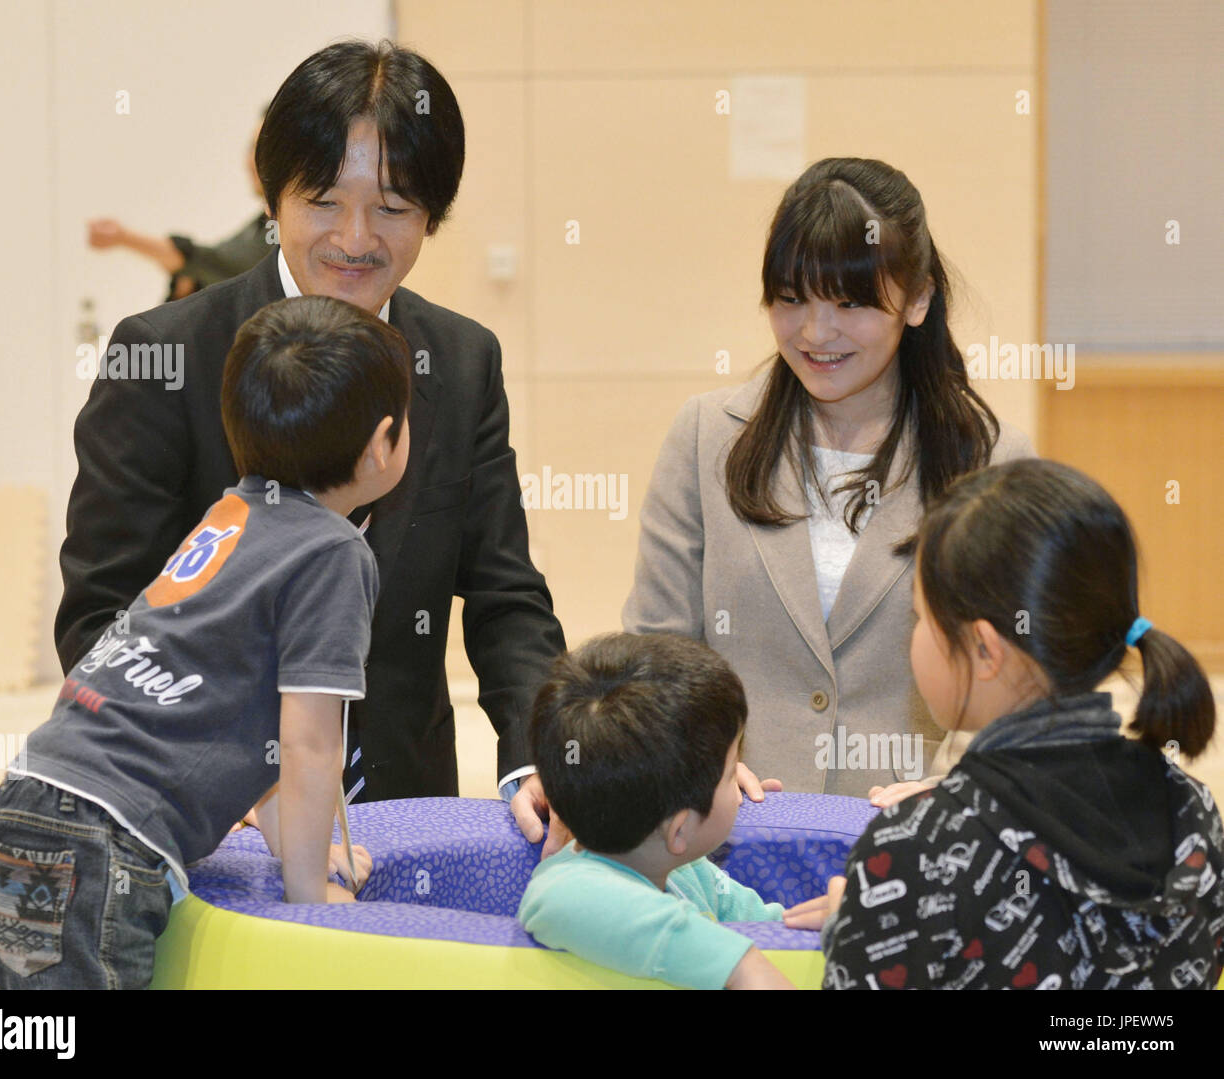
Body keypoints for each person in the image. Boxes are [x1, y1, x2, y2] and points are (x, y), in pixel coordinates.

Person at [56, 39, 568, 846]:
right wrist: (219, 782)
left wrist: (543, 759)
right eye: (324, 201)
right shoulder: (165, 355)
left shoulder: (464, 360)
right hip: (209, 824)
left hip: (405, 820)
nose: (355, 239)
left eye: (394, 208)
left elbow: (506, 595)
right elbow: (102, 612)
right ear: (273, 197)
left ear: (433, 213)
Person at [0, 295, 409, 988]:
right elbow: (307, 740)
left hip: (37, 794)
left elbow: (251, 722)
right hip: (106, 833)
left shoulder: (235, 510)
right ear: (382, 442)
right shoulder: (333, 551)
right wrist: (307, 888)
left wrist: (298, 846)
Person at [622, 157, 1033, 799]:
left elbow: (1024, 676)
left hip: (911, 843)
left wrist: (959, 793)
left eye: (851, 302)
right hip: (728, 833)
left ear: (918, 297)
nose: (816, 332)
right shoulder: (705, 436)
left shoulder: (992, 459)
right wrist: (695, 760)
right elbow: (656, 648)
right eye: (791, 299)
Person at [784, 458, 1224, 990]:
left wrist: (853, 928)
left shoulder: (915, 850)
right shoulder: (1192, 810)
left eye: (922, 617)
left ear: (985, 649)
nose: (914, 637)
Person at [518, 632, 799, 989]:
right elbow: (563, 902)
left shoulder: (690, 873)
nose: (742, 785)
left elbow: (767, 928)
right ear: (679, 831)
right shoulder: (565, 882)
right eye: (732, 774)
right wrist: (740, 966)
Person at [87, 116, 273, 301]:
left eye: (261, 150)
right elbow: (210, 263)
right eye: (251, 148)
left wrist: (124, 237)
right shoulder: (261, 223)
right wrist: (188, 275)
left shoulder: (281, 227)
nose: (251, 161)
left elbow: (222, 263)